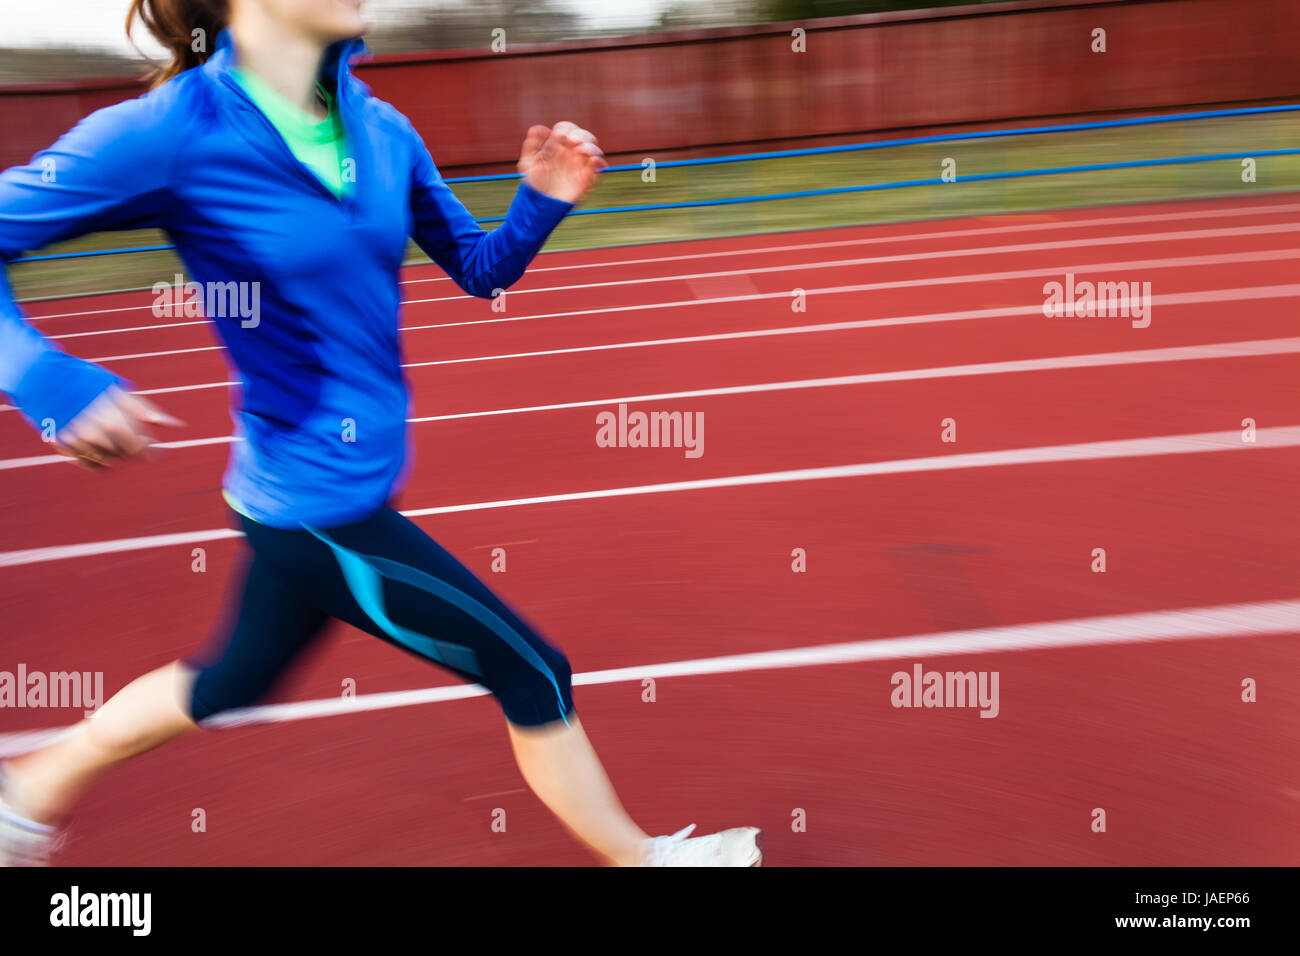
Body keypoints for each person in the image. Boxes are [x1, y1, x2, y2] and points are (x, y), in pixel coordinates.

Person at [0, 0, 761, 868]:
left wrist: (540, 204)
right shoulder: (171, 133)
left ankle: (26, 793)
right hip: (313, 507)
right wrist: (46, 379)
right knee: (532, 672)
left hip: (327, 487)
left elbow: (482, 269)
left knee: (228, 680)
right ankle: (641, 860)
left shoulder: (382, 128)